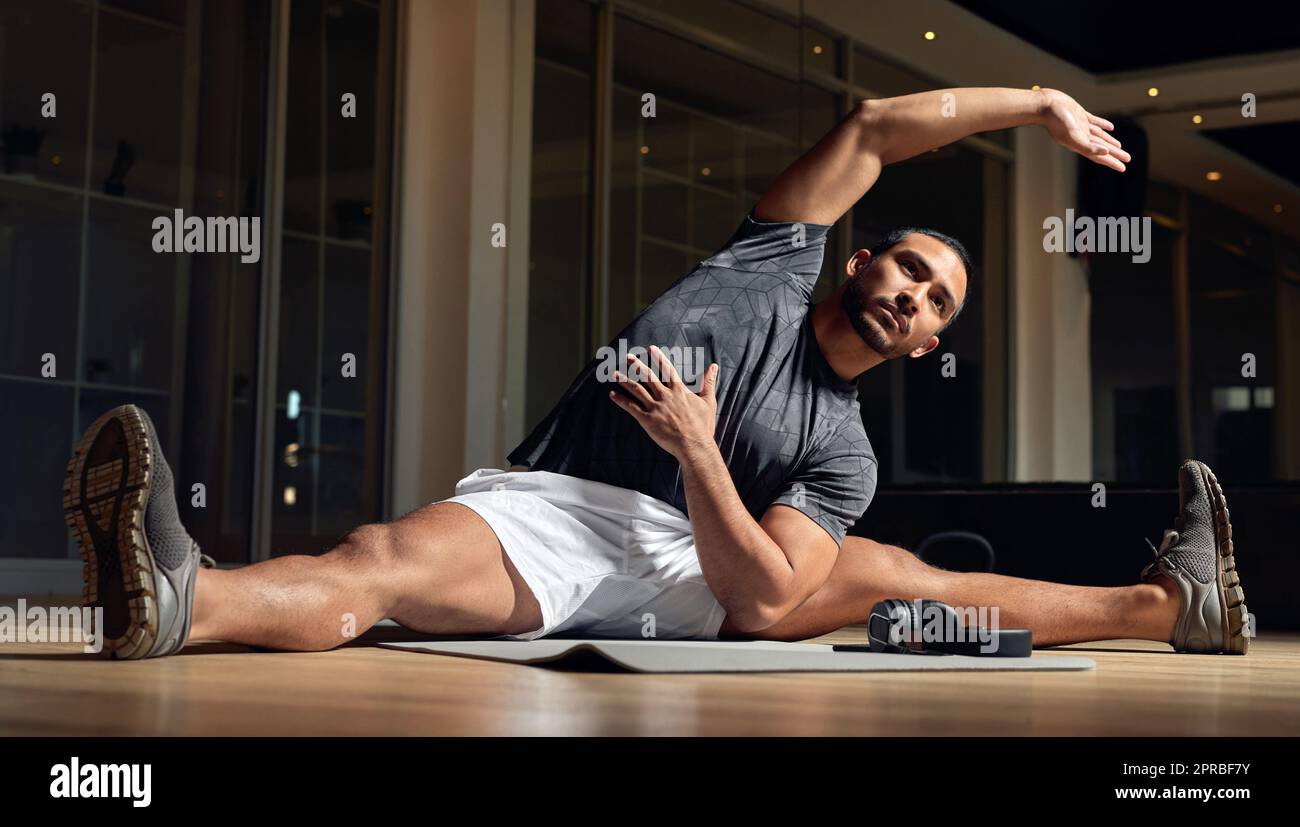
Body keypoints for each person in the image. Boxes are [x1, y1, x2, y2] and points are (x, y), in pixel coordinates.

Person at [64, 86, 1247, 659]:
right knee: (379, 562)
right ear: (860, 252)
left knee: (886, 571)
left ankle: (1164, 605)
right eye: (909, 267)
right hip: (563, 514)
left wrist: (694, 447)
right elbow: (880, 124)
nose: (913, 294)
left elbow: (766, 603)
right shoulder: (772, 259)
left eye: (936, 302)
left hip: (704, 557)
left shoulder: (842, 446)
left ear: (927, 344)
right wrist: (1035, 100)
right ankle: (184, 596)